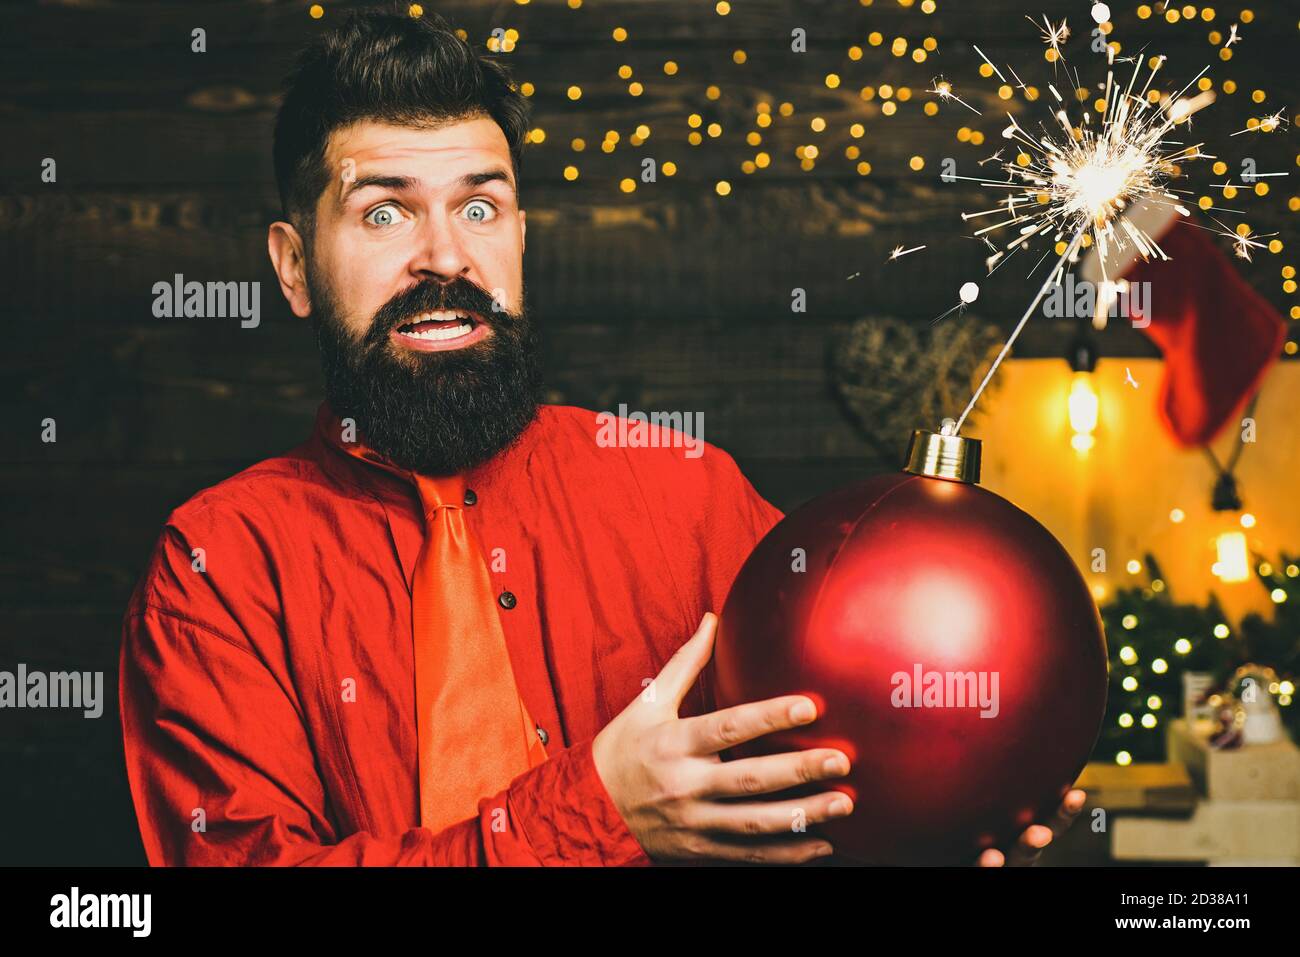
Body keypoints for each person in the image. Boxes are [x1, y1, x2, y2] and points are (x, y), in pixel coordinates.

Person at [118, 7, 1084, 866]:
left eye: (480, 206)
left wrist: (950, 798)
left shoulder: (695, 495)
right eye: (383, 212)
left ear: (522, 239)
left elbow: (823, 776)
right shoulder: (214, 570)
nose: (446, 255)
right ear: (292, 268)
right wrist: (594, 815)